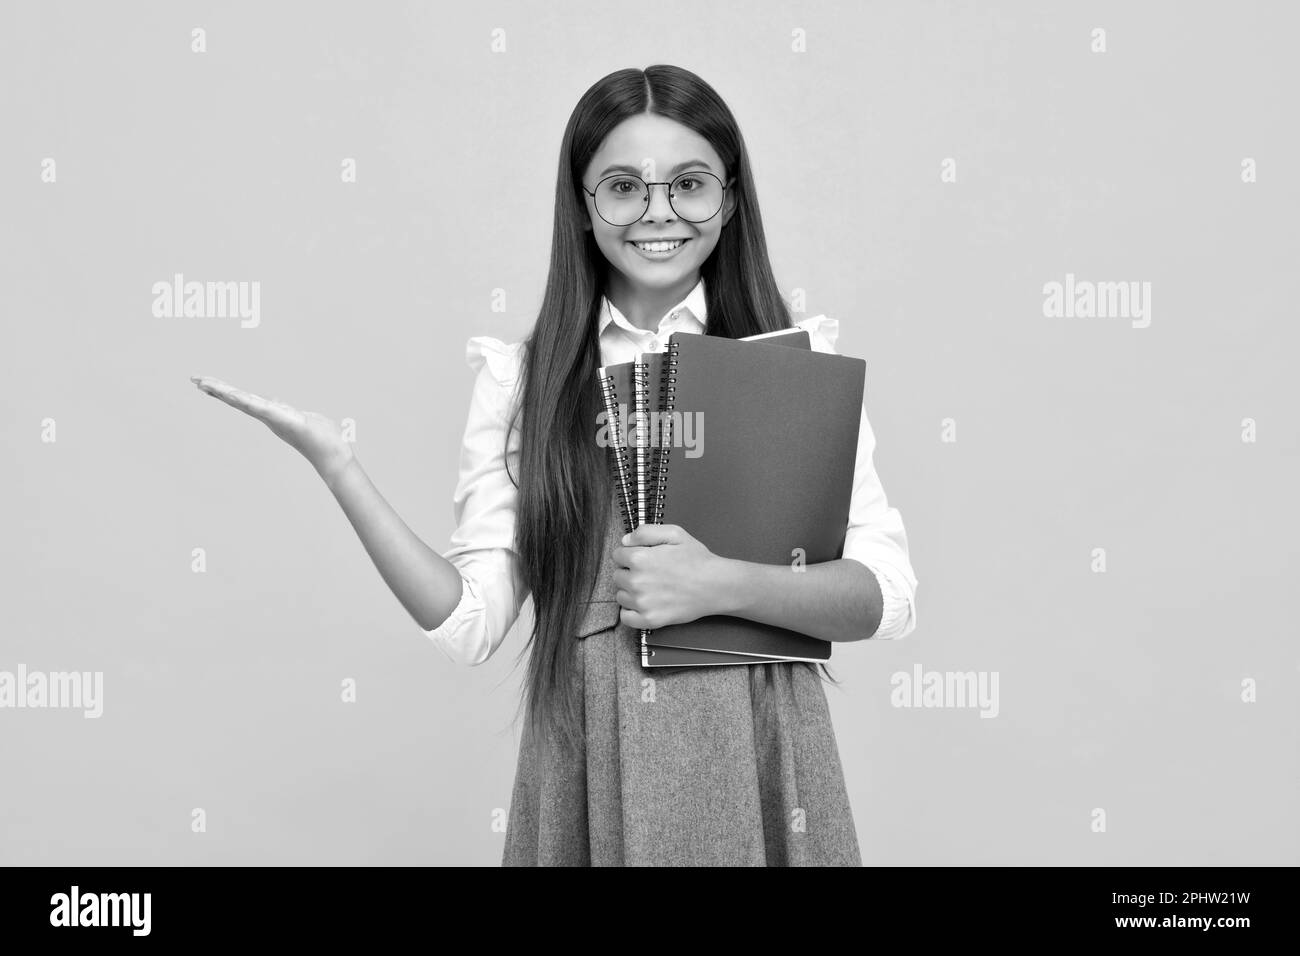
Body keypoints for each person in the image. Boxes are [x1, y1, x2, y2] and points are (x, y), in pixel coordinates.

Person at [192, 64, 918, 866]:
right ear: (583, 204)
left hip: (762, 743)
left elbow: (886, 598)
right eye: (621, 187)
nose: (658, 213)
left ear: (732, 198)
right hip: (589, 747)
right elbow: (469, 624)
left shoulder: (793, 363)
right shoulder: (523, 382)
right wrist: (339, 468)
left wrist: (722, 585)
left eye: (689, 184)